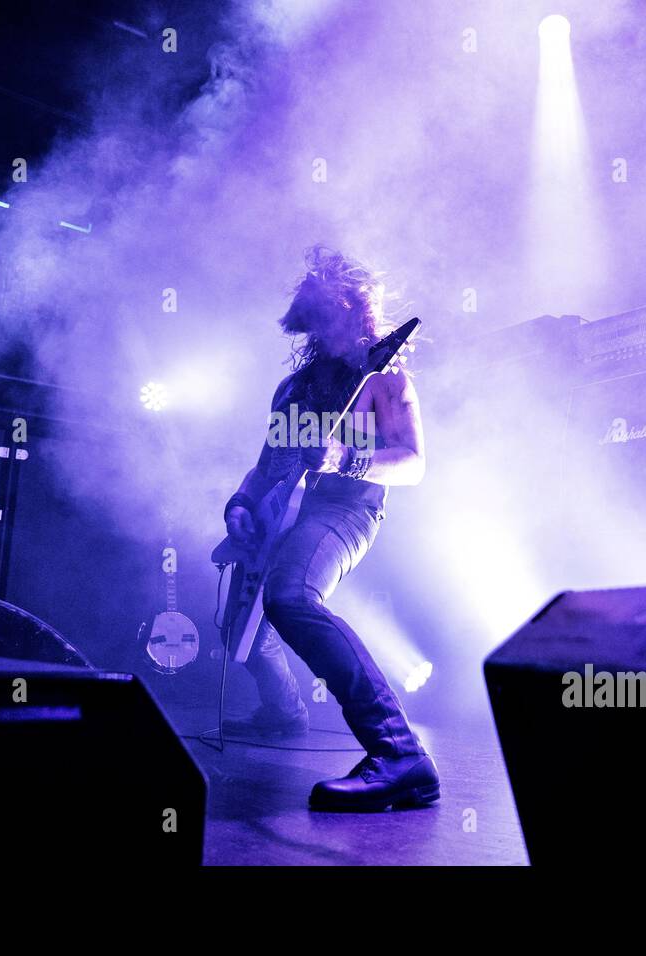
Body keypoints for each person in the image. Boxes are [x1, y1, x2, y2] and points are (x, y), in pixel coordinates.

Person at [220, 246, 439, 812]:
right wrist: (241, 504)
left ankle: (398, 750)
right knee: (237, 629)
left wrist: (347, 459)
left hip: (347, 509)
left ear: (353, 308)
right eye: (313, 319)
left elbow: (413, 462)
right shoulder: (292, 389)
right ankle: (284, 711)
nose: (323, 328)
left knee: (290, 596)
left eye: (331, 313)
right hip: (285, 511)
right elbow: (266, 464)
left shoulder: (384, 376)